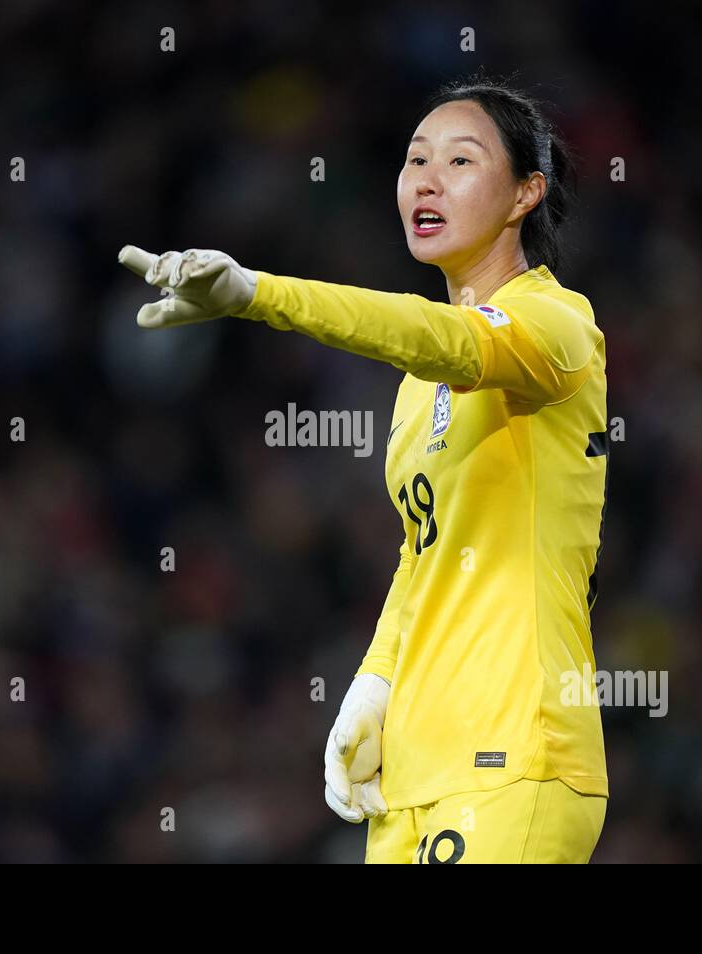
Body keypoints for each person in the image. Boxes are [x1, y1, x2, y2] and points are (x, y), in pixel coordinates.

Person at [118, 74, 608, 864]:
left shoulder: (557, 321)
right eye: (416, 160)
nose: (427, 180)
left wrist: (257, 293)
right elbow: (425, 552)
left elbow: (447, 339)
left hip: (516, 755)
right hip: (416, 775)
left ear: (525, 194)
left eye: (459, 161)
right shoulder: (416, 393)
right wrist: (377, 683)